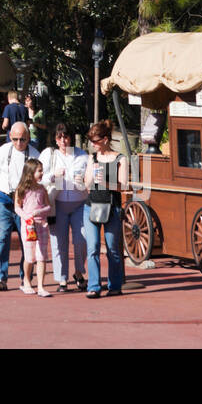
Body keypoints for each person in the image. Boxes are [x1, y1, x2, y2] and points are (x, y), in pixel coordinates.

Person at [0, 121, 40, 291]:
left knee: (27, 240)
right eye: (16, 139)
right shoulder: (4, 151)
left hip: (25, 203)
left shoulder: (34, 154)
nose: (19, 143)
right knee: (3, 237)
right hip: (5, 198)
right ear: (10, 137)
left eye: (23, 140)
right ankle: (0, 277)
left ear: (28, 138)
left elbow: (40, 179)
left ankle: (25, 277)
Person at [39, 121, 88, 291]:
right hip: (57, 203)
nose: (63, 141)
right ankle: (62, 279)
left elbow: (91, 177)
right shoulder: (49, 155)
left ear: (71, 138)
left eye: (66, 137)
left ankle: (79, 273)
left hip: (79, 202)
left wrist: (84, 181)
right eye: (59, 137)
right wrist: (53, 175)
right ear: (55, 139)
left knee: (82, 240)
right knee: (59, 243)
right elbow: (37, 177)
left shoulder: (82, 155)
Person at [82, 121, 128, 298]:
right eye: (91, 141)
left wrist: (105, 182)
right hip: (91, 206)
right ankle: (93, 286)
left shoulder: (120, 158)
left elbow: (123, 185)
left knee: (112, 249)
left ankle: (115, 285)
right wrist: (91, 176)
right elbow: (86, 185)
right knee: (92, 247)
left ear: (105, 139)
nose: (92, 145)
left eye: (95, 141)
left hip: (112, 207)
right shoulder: (91, 158)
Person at [16, 158, 53, 296]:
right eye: (39, 171)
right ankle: (26, 280)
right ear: (30, 172)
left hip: (41, 225)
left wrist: (40, 212)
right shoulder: (22, 189)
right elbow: (17, 207)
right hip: (28, 226)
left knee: (42, 255)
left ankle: (41, 286)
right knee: (30, 256)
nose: (42, 173)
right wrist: (26, 217)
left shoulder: (42, 189)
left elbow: (48, 206)